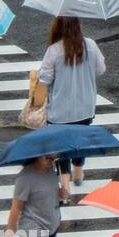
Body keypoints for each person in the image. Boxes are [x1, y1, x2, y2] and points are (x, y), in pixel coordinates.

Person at [38, 17, 106, 193]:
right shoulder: (90, 45)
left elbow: (45, 79)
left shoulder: (53, 51)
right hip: (85, 105)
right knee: (79, 140)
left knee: (60, 148)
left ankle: (65, 187)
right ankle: (78, 170)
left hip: (60, 109)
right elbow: (101, 69)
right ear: (78, 26)